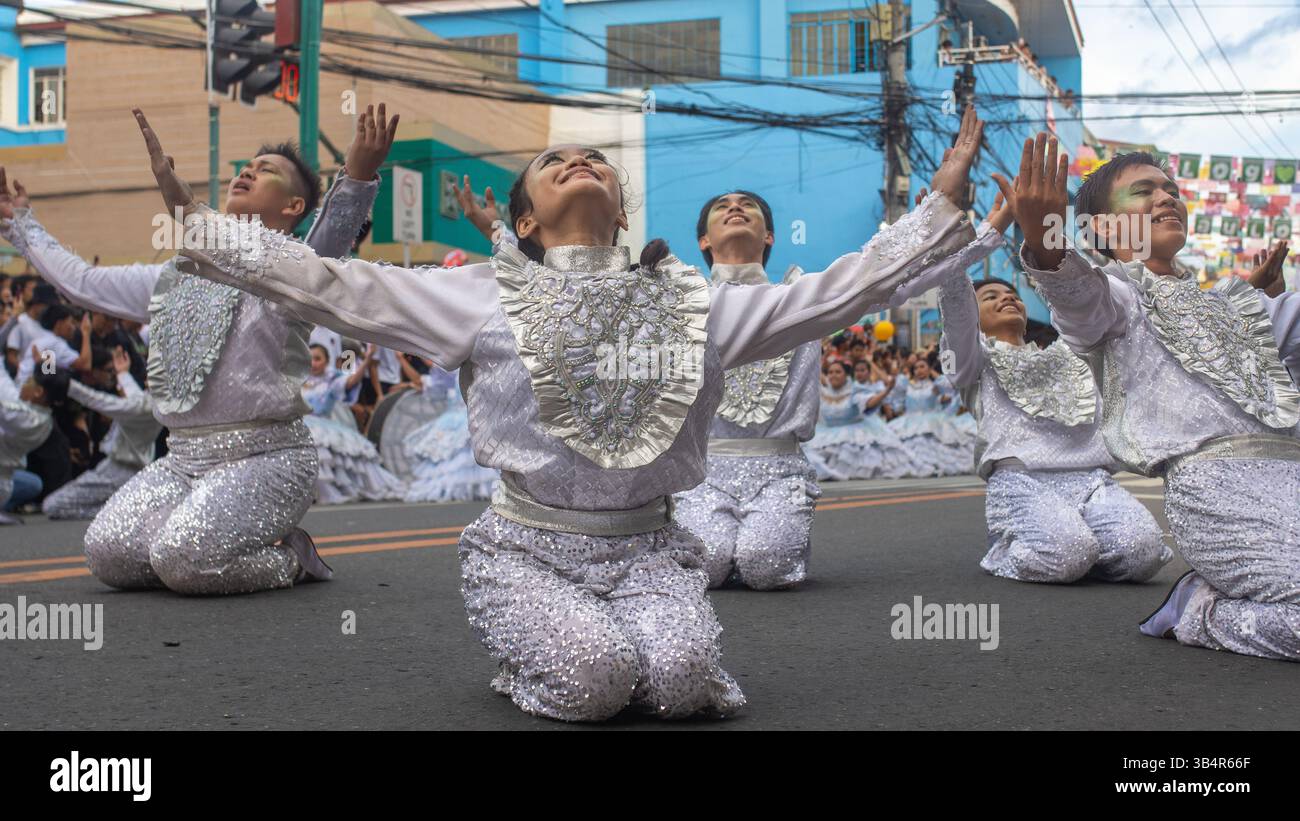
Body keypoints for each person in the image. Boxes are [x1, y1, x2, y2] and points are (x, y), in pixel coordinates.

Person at [147, 104, 986, 720]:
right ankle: (535, 641)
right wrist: (204, 227)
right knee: (594, 682)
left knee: (682, 681)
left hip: (652, 547)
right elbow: (335, 285)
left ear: (622, 210)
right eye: (556, 162)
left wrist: (940, 205)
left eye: (594, 159)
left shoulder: (691, 301)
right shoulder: (484, 294)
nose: (579, 159)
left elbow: (838, 293)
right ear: (523, 219)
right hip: (528, 549)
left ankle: (632, 625)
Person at [0, 104, 396, 593]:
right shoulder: (174, 275)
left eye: (267, 169)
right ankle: (212, 535)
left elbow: (332, 237)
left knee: (183, 561)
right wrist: (21, 225)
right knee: (110, 555)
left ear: (293, 208)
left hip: (267, 460)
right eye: (247, 164)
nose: (249, 169)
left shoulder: (295, 269)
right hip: (183, 461)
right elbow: (82, 283)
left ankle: (292, 559)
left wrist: (357, 174)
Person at [1000, 133, 1300, 657]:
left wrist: (1256, 302)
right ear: (1102, 228)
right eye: (1143, 191)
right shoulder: (1115, 298)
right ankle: (1200, 613)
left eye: (1170, 189)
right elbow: (1073, 295)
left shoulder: (1237, 305)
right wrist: (1044, 235)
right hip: (1217, 494)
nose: (1167, 197)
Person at [903, 185, 1170, 583]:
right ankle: (1011, 549)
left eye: (1011, 294)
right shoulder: (973, 362)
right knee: (1067, 557)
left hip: (1092, 479)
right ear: (974, 318)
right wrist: (978, 229)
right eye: (990, 296)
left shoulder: (1072, 352)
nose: (1005, 299)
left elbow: (1086, 301)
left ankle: (1077, 544)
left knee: (1143, 556)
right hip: (1023, 480)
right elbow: (955, 297)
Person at [42, 346, 161, 520]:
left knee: (51, 505)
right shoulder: (157, 402)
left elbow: (100, 401)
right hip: (123, 468)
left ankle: (121, 512)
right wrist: (123, 374)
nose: (146, 376)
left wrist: (67, 385)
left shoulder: (144, 406)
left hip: (118, 471)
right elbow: (135, 398)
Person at [301, 342, 405, 504]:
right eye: (311, 359)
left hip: (323, 424)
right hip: (301, 424)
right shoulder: (300, 379)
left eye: (318, 359)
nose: (313, 363)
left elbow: (350, 380)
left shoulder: (332, 379)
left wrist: (367, 359)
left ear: (326, 361)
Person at [0, 357, 56, 524]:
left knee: (33, 484)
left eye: (28, 382)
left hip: (4, 477)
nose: (23, 383)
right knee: (33, 483)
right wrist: (45, 361)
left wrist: (46, 358)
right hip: (6, 478)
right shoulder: (36, 410)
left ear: (38, 392)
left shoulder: (26, 416)